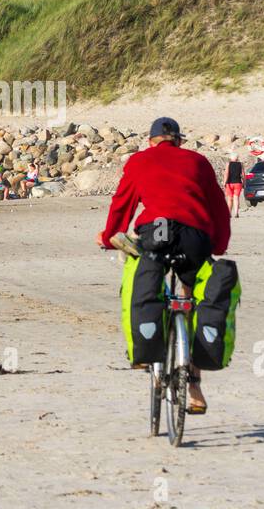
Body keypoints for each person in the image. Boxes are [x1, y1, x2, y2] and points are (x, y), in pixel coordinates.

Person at [97, 117, 239, 416]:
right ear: (179, 141)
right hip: (194, 235)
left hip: (157, 231)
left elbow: (122, 203)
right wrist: (219, 245)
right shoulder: (198, 162)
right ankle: (195, 386)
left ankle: (148, 347)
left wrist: (111, 236)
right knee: (192, 297)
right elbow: (217, 208)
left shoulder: (139, 161)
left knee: (145, 277)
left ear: (151, 141)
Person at [223, 150, 245, 218]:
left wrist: (224, 182)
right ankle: (236, 213)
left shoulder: (228, 164)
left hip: (229, 183)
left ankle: (229, 213)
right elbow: (243, 175)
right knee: (236, 198)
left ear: (231, 158)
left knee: (229, 199)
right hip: (238, 183)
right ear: (237, 157)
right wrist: (244, 182)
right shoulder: (241, 164)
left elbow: (226, 173)